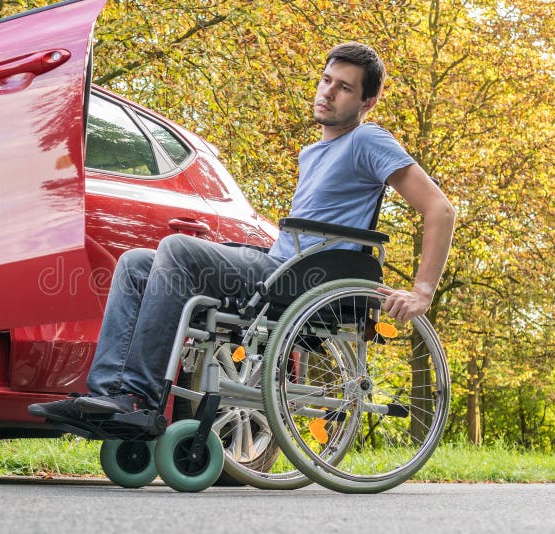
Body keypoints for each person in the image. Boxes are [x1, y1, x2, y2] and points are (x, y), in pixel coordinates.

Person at [28, 41, 455, 421]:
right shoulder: (314, 151)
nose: (328, 91)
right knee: (137, 263)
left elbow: (440, 208)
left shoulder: (368, 141)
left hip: (306, 278)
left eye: (344, 87)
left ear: (368, 101)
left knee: (178, 249)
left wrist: (422, 291)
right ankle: (109, 398)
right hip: (281, 266)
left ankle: (138, 399)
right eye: (326, 80)